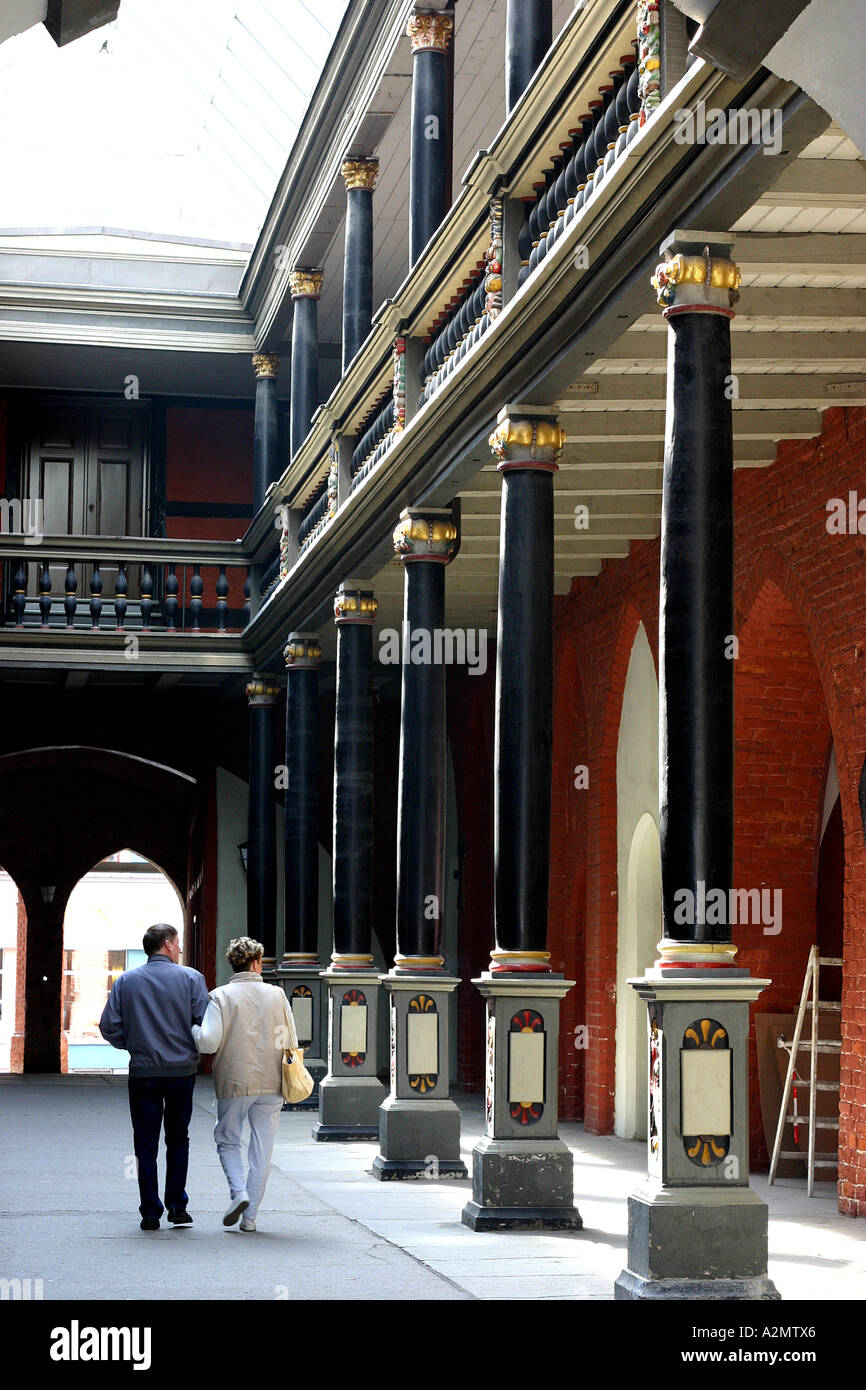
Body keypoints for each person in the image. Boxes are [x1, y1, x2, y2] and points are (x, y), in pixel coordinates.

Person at [99, 923, 209, 1231]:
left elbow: (109, 1026)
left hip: (143, 1072)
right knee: (178, 1138)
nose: (180, 947)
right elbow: (206, 1023)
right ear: (168, 945)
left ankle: (150, 1211)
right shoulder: (191, 979)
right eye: (178, 942)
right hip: (181, 1072)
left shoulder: (125, 981)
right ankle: (176, 1205)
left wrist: (133, 1043)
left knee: (145, 1143)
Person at [193, 936, 298, 1232]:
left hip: (235, 1081)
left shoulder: (221, 996)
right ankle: (250, 1217)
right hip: (272, 1081)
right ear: (255, 963)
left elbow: (210, 1042)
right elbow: (290, 1038)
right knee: (262, 1150)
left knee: (227, 1139)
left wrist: (194, 1031)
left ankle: (238, 1191)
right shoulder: (277, 995)